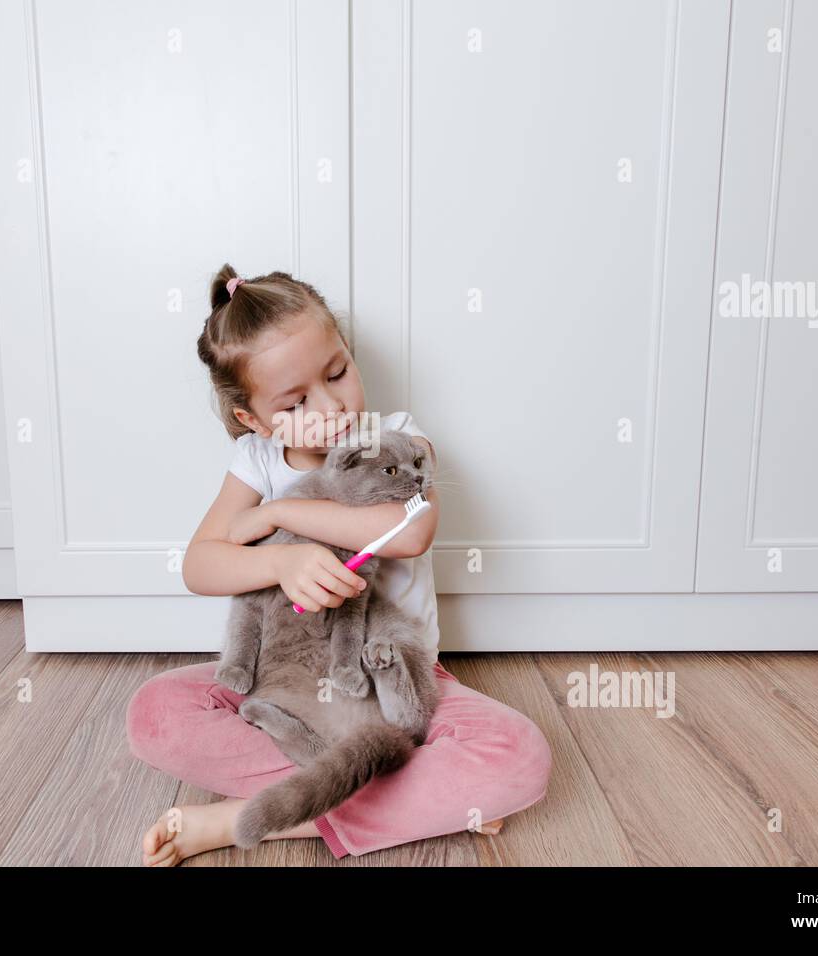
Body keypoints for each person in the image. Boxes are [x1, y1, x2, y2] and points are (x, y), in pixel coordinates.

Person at [126, 265, 552, 865]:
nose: (332, 407)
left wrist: (284, 517)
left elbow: (410, 530)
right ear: (254, 419)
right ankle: (425, 795)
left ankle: (264, 818)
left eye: (338, 372)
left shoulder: (398, 438)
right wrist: (281, 566)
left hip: (394, 685)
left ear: (349, 352)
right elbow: (200, 566)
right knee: (153, 713)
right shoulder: (256, 460)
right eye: (297, 401)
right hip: (284, 688)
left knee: (520, 754)